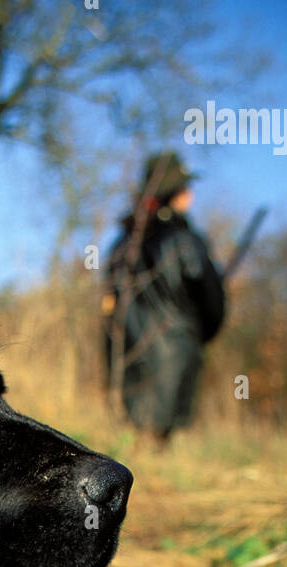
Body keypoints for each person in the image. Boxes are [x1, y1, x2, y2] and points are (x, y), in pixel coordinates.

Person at [103, 151, 225, 441]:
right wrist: (200, 333)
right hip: (176, 352)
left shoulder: (121, 243)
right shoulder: (185, 241)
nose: (191, 196)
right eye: (185, 188)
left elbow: (109, 308)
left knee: (137, 434)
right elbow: (212, 302)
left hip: (128, 356)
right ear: (175, 194)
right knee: (160, 438)